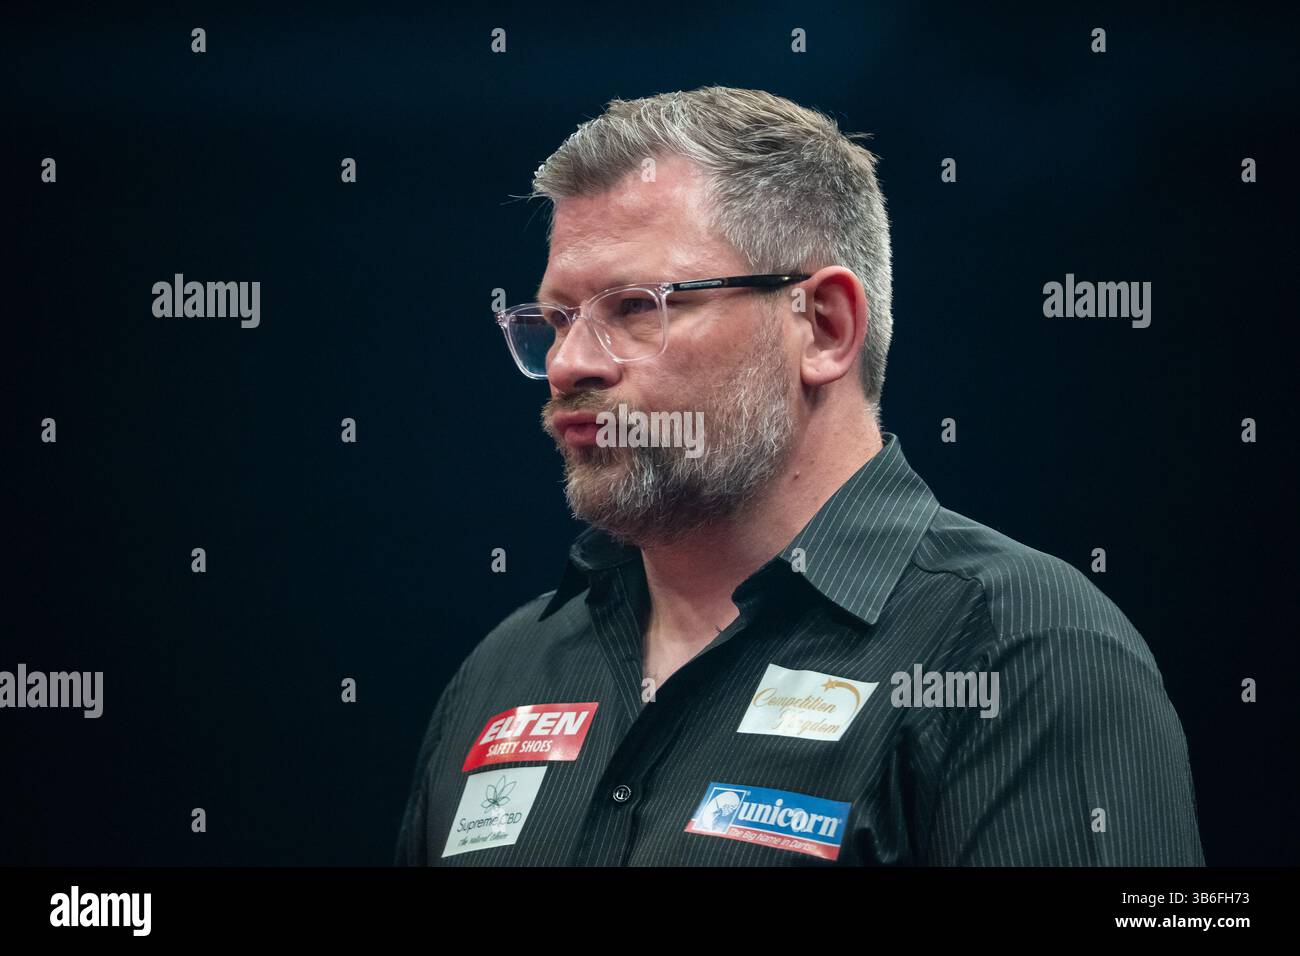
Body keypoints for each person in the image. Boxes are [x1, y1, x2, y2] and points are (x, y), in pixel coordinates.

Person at [395, 86, 1204, 866]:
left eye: (634, 307)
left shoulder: (1015, 650)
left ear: (822, 326)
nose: (568, 363)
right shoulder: (508, 669)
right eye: (555, 319)